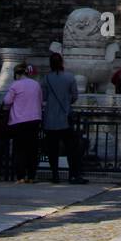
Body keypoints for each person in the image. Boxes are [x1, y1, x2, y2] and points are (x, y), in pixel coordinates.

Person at [42, 52, 88, 184]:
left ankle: (55, 175)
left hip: (50, 118)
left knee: (52, 149)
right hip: (65, 117)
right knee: (71, 149)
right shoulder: (69, 77)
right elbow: (75, 96)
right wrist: (67, 102)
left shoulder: (46, 79)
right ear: (62, 63)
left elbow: (44, 97)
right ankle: (73, 175)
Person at [3, 62, 43, 182]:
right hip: (34, 119)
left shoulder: (15, 85)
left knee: (20, 149)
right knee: (32, 149)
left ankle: (20, 176)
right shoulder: (36, 84)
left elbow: (7, 101)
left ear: (16, 74)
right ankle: (31, 175)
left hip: (19, 121)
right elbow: (40, 101)